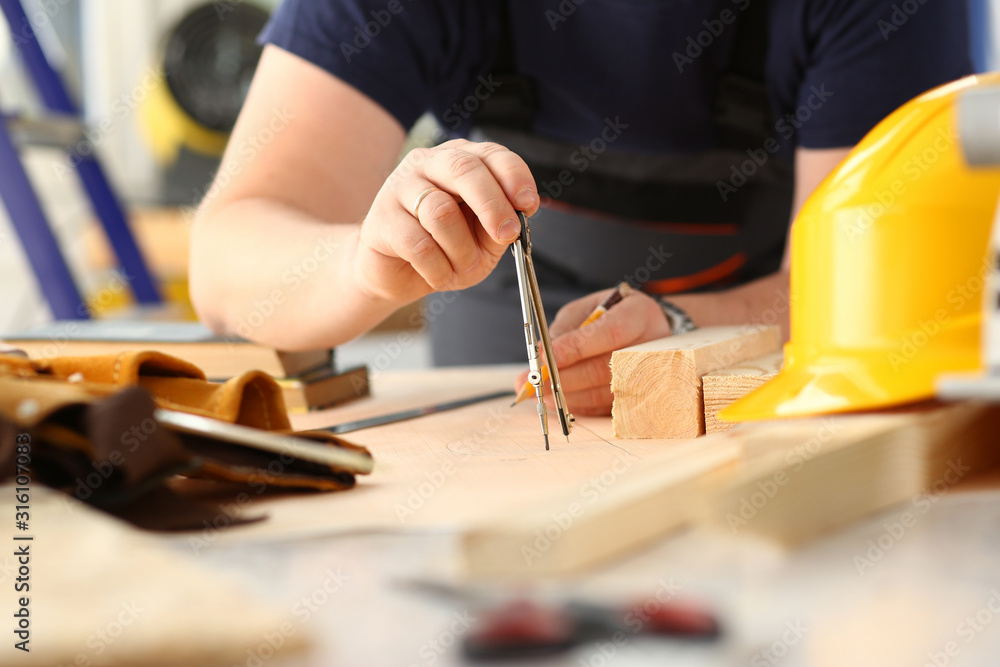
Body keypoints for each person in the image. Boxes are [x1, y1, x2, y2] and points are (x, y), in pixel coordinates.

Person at [190, 0, 972, 415]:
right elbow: (229, 259)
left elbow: (880, 301)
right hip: (497, 394)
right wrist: (366, 264)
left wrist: (685, 333)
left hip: (762, 397)